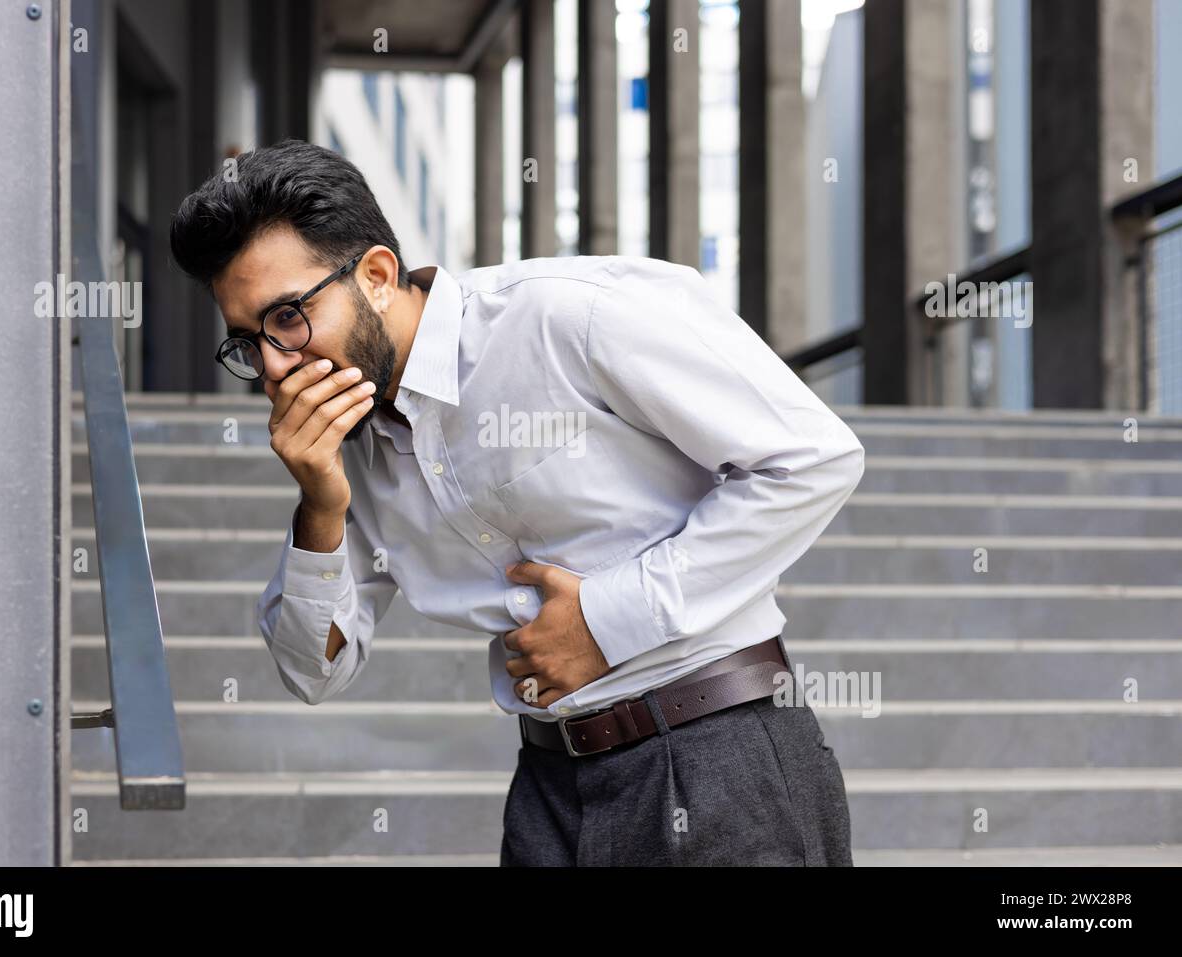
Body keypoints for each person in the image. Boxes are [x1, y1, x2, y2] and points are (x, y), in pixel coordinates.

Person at [170, 139, 864, 866]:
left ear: (376, 275)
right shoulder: (347, 445)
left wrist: (605, 619)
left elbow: (812, 456)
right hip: (548, 788)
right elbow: (314, 669)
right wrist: (319, 503)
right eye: (249, 342)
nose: (277, 367)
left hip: (719, 757)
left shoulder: (573, 315)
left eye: (288, 316)